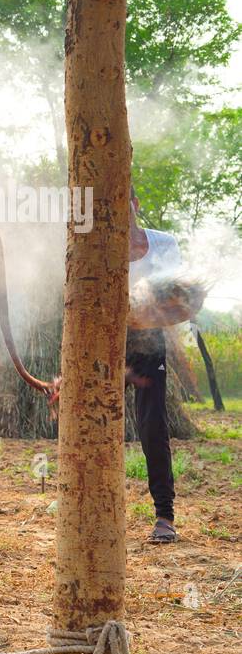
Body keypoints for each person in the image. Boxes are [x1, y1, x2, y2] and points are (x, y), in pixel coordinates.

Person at [128, 190, 180, 544]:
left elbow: (177, 294)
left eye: (124, 201)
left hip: (149, 346)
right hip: (105, 343)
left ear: (136, 205)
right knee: (91, 423)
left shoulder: (164, 244)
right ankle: (89, 504)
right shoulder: (97, 249)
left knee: (152, 428)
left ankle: (164, 515)